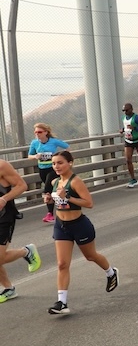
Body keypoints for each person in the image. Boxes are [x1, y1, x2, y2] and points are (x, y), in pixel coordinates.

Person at [44, 151, 119, 315]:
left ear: (70, 163)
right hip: (61, 225)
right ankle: (62, 303)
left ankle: (111, 272)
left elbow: (89, 203)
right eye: (54, 163)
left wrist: (68, 197)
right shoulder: (55, 181)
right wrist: (51, 199)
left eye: (60, 163)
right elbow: (59, 201)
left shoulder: (76, 182)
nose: (56, 166)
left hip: (79, 225)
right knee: (62, 264)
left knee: (91, 256)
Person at [0, 158, 41, 303]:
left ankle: (26, 252)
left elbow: (22, 185)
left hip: (4, 215)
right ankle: (8, 289)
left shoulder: (2, 165)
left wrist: (4, 199)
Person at [28, 123, 70, 224]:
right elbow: (29, 155)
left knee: (47, 189)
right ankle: (58, 209)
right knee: (52, 191)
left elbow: (67, 147)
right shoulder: (34, 143)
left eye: (40, 132)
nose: (37, 134)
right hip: (42, 169)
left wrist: (61, 159)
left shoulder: (53, 141)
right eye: (36, 132)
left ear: (46, 132)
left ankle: (51, 212)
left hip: (53, 169)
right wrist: (35, 156)